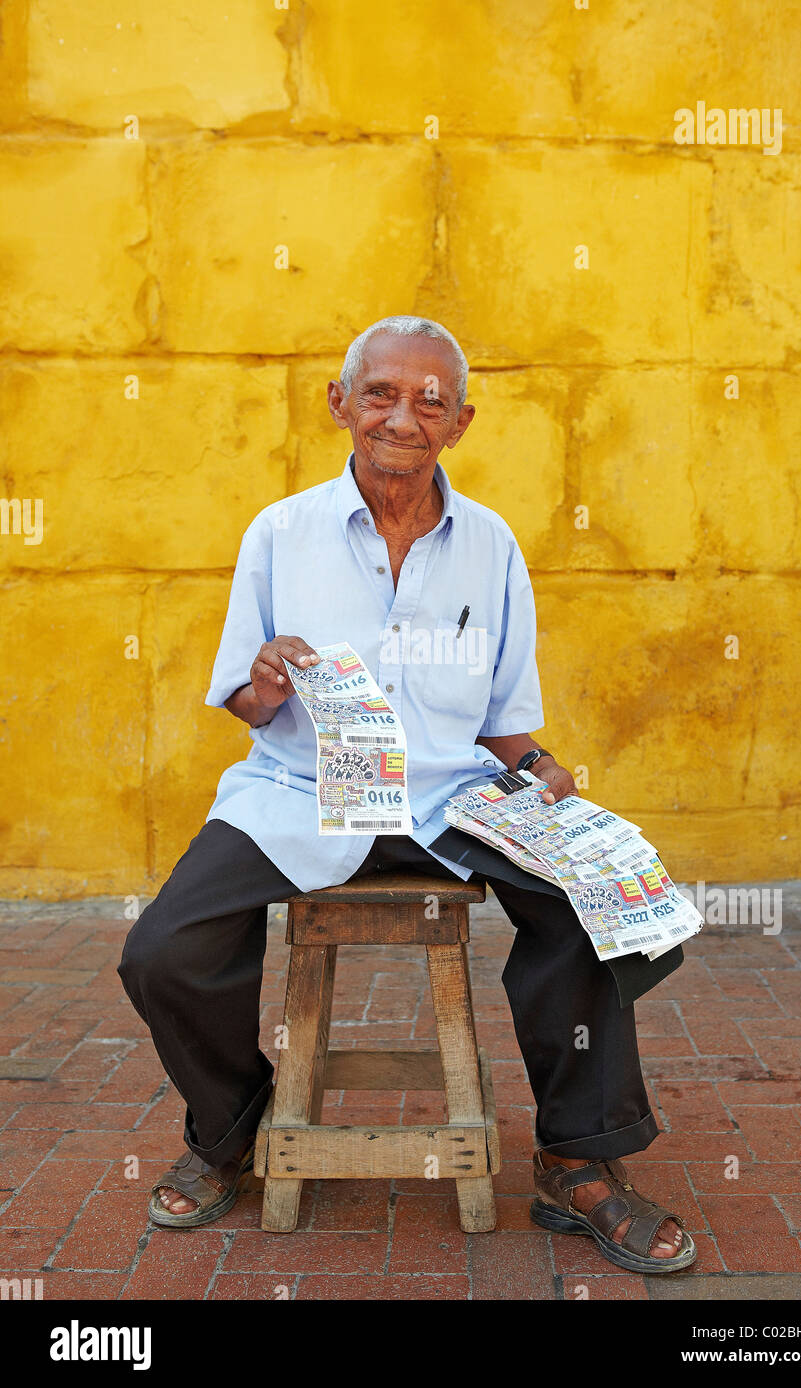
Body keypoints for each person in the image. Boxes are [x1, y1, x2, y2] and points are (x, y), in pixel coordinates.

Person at [118, 315, 696, 1274]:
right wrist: (267, 677)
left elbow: (504, 722)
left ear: (459, 423)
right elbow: (253, 707)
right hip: (301, 792)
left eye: (432, 401)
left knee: (585, 914)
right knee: (162, 950)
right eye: (381, 393)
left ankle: (577, 1165)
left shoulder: (492, 546)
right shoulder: (281, 533)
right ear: (340, 403)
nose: (404, 417)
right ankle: (231, 1128)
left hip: (447, 800)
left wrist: (547, 773)